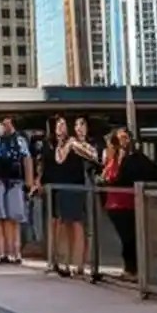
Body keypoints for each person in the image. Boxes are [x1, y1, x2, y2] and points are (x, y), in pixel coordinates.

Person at [38, 116, 96, 277]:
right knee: (63, 226)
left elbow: (91, 155)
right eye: (58, 125)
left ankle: (78, 264)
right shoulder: (53, 145)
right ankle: (63, 262)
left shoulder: (74, 143)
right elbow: (55, 160)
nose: (60, 128)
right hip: (59, 189)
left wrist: (73, 144)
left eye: (63, 124)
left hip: (75, 186)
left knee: (77, 225)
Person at [101, 127, 157, 280]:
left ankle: (133, 270)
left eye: (125, 138)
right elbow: (108, 177)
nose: (122, 142)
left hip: (129, 203)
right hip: (115, 204)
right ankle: (131, 268)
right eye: (119, 138)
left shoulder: (135, 158)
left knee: (130, 237)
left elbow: (152, 173)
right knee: (127, 237)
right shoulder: (112, 159)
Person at [0, 116, 33, 264]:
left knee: (13, 218)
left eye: (8, 123)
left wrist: (29, 182)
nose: (5, 126)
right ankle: (2, 254)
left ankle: (15, 252)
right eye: (2, 123)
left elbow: (27, 159)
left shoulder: (20, 140)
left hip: (15, 180)